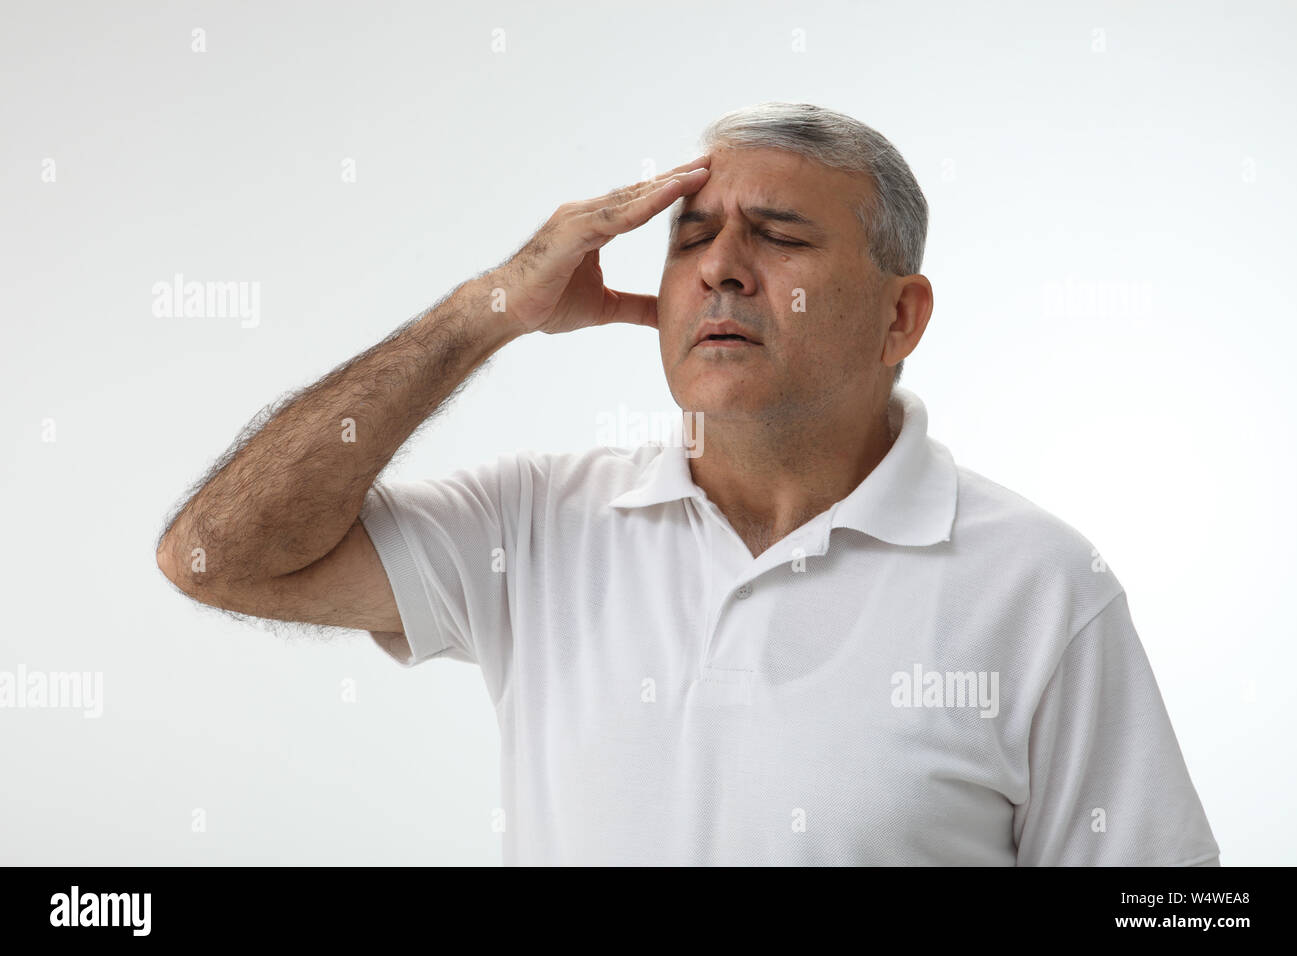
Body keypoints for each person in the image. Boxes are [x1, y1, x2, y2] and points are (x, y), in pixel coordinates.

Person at [156, 102, 1220, 866]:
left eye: (780, 237)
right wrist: (487, 310)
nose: (719, 267)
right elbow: (215, 554)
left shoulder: (1038, 583)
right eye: (692, 237)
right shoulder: (536, 526)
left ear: (899, 317)